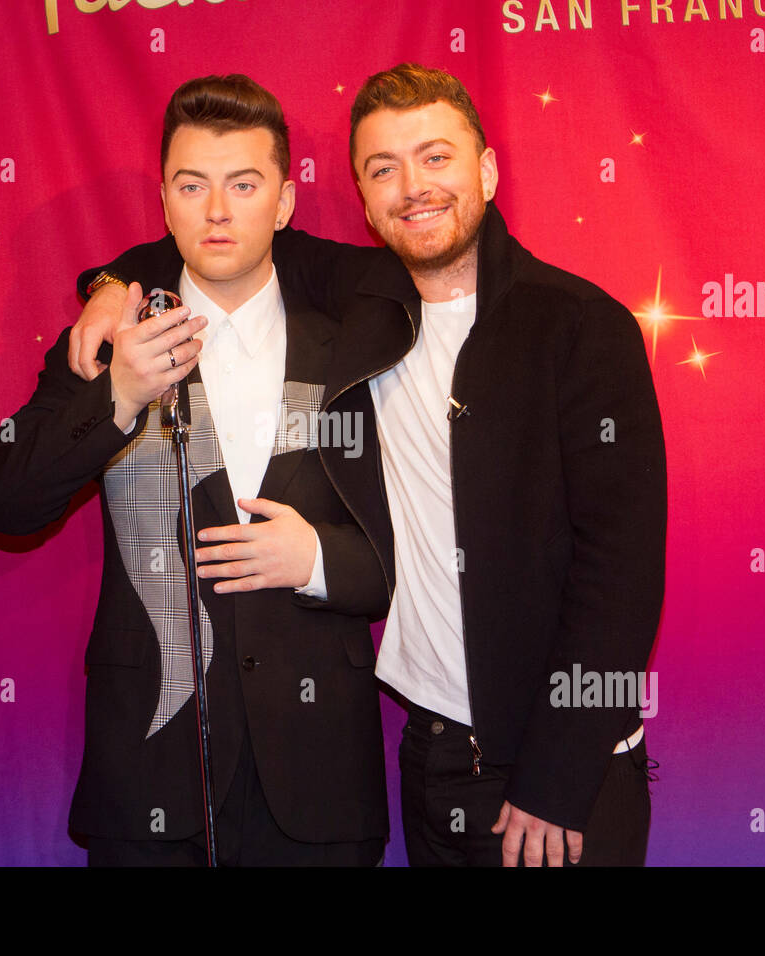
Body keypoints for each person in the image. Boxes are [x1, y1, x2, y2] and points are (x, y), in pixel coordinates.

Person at [75, 63, 667, 867]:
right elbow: (215, 237)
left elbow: (621, 576)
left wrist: (557, 779)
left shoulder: (579, 324)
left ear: (487, 172)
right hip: (431, 759)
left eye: (436, 157)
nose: (413, 187)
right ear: (362, 197)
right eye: (383, 168)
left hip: (555, 769)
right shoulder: (363, 302)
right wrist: (112, 285)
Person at [0, 74, 389, 866]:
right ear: (165, 202)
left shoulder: (359, 346)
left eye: (244, 184)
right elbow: (1, 500)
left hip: (319, 789)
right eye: (192, 186)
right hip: (147, 778)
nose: (219, 211)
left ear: (286, 200)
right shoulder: (111, 340)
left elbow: (417, 558)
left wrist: (319, 562)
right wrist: (119, 395)